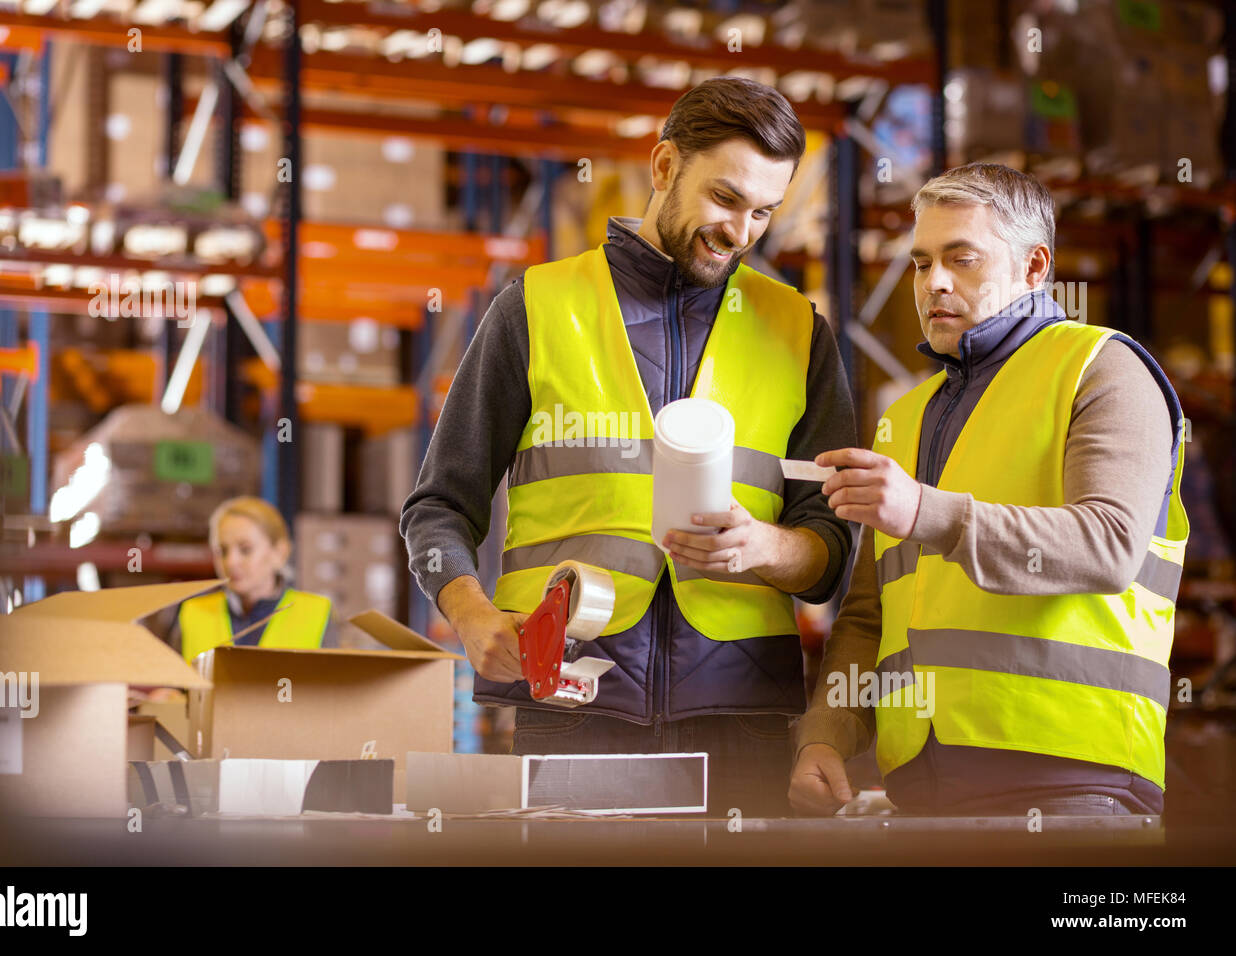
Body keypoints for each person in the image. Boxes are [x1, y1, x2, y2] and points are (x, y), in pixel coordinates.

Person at [401, 76, 856, 817]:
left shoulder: (800, 332)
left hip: (742, 722)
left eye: (764, 213)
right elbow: (436, 509)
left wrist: (765, 549)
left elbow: (832, 550)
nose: (741, 233)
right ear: (665, 167)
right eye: (726, 199)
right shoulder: (536, 308)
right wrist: (472, 615)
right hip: (575, 708)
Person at [790, 163, 1188, 817]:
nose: (934, 283)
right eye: (921, 263)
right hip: (921, 794)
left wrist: (924, 509)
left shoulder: (1102, 370)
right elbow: (869, 617)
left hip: (1072, 786)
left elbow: (1109, 546)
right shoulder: (907, 417)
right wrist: (826, 737)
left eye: (961, 259)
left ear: (1035, 268)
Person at [175, 496, 336, 662]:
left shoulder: (317, 613)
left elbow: (332, 685)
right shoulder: (192, 613)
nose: (231, 562)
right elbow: (177, 684)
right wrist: (169, 689)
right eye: (222, 551)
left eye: (246, 550)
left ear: (280, 553)